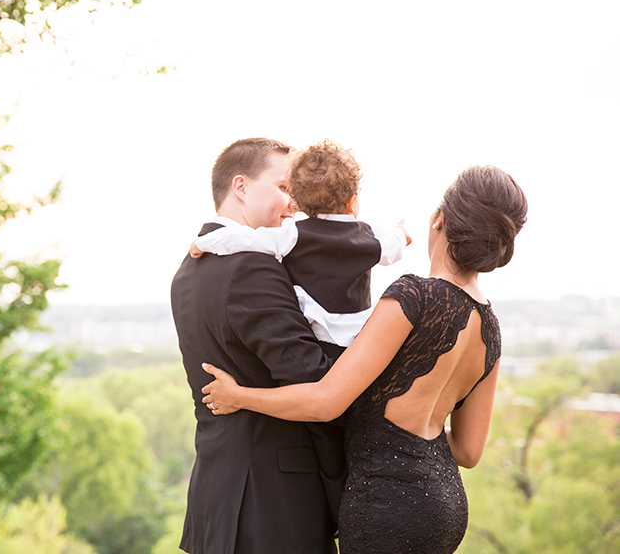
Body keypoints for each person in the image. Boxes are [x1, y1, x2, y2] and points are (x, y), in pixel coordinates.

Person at [201, 165, 528, 553]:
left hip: (386, 508)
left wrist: (238, 396)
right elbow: (468, 452)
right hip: (446, 509)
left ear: (438, 221)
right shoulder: (489, 327)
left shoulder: (413, 298)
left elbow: (325, 402)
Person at [171, 137, 342, 554]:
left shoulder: (188, 271)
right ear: (240, 186)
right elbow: (312, 378)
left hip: (218, 500)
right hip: (270, 506)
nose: (295, 205)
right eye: (285, 188)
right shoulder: (251, 267)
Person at [192, 139, 412, 354]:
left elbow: (246, 240)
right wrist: (401, 233)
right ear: (352, 202)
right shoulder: (371, 234)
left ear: (302, 203)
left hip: (322, 335)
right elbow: (393, 247)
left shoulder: (293, 234)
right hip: (359, 337)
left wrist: (204, 242)